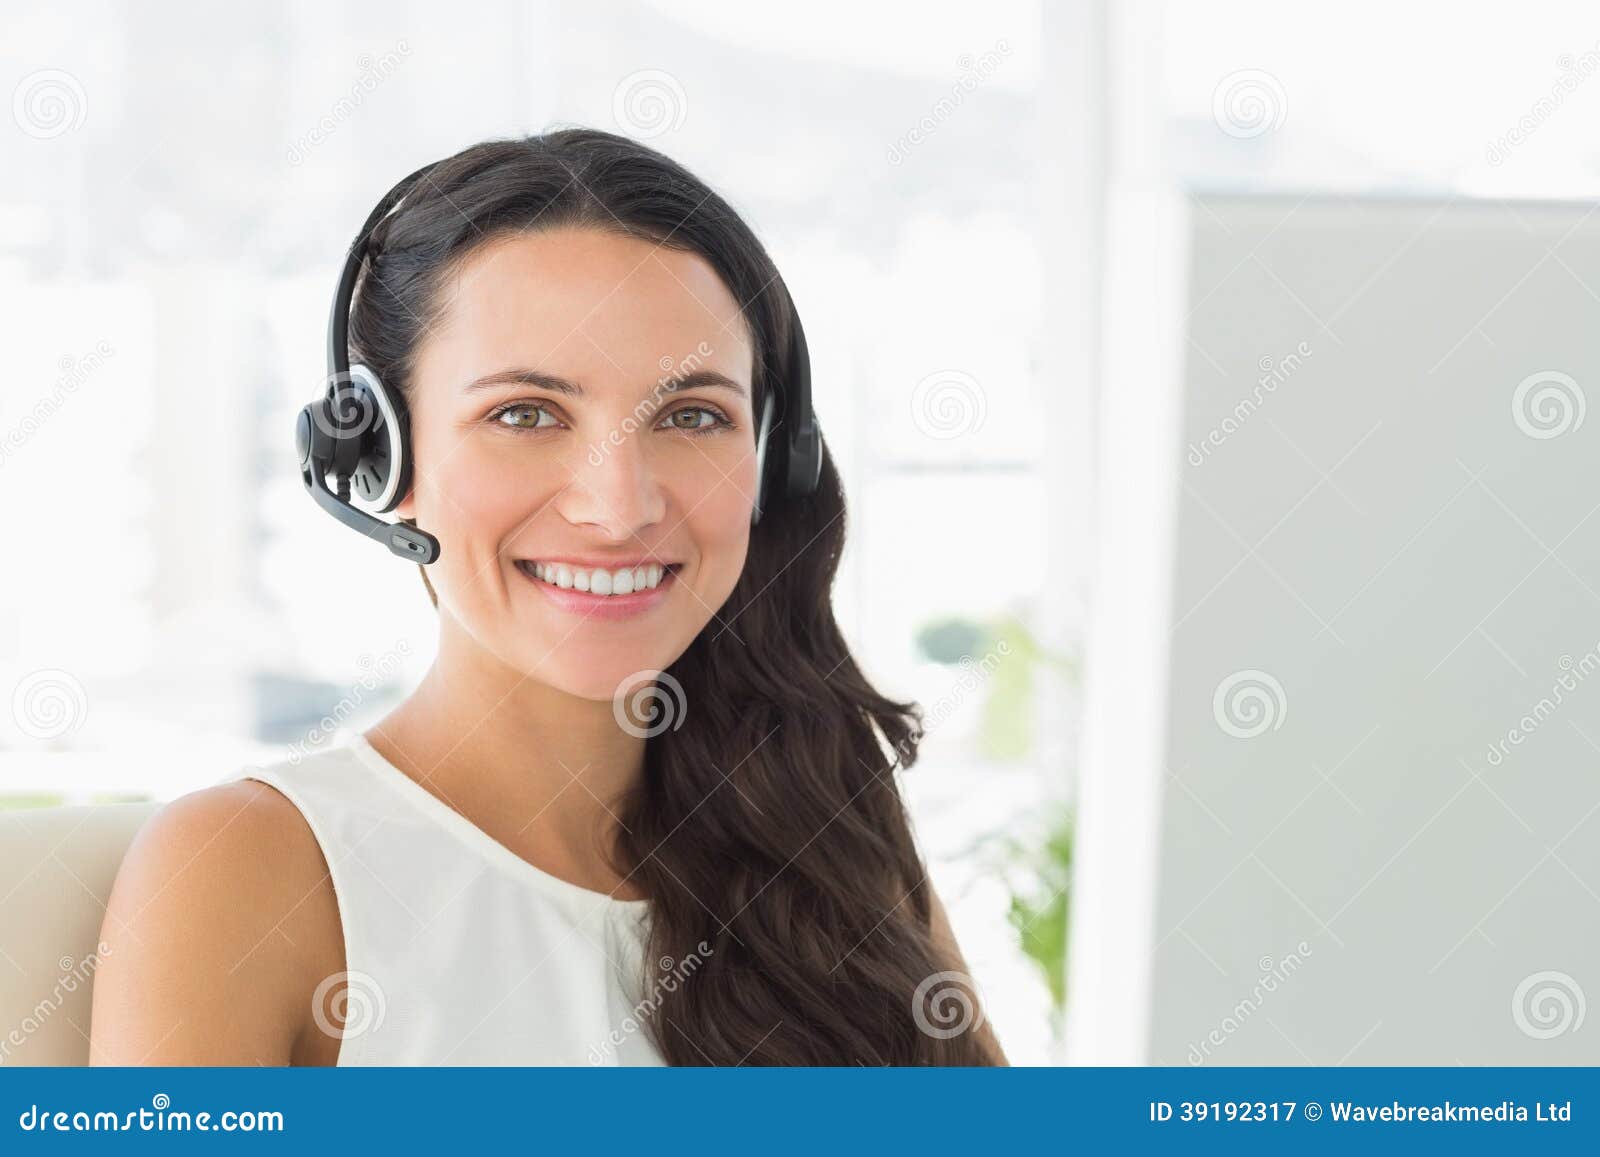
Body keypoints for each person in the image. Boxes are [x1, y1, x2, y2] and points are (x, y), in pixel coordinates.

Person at [90, 129, 1006, 1066]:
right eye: (525, 414)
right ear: (380, 458)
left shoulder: (823, 832)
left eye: (693, 415)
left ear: (774, 461)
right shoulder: (246, 870)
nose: (618, 508)